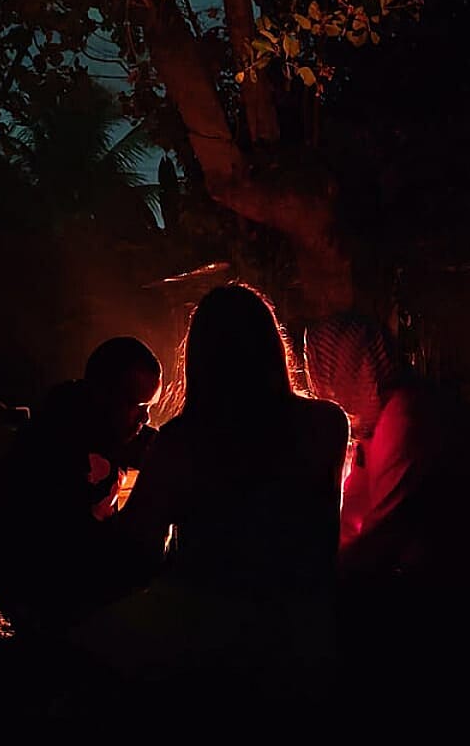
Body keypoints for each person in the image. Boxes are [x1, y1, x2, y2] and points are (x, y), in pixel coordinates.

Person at [67, 283, 349, 703]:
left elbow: (136, 541)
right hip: (306, 622)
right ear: (274, 346)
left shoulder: (184, 440)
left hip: (207, 620)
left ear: (201, 359)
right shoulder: (328, 424)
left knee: (73, 655)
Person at [302, 313, 470, 681]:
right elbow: (351, 520)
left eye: (323, 367)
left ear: (349, 366)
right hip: (458, 579)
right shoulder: (381, 423)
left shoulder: (408, 416)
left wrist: (312, 584)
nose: (319, 386)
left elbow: (384, 538)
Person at [0, 336, 163, 640]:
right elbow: (62, 544)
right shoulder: (52, 446)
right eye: (137, 405)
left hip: (75, 571)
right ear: (103, 394)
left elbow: (154, 444)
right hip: (39, 583)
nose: (145, 417)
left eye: (150, 406)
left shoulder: (115, 428)